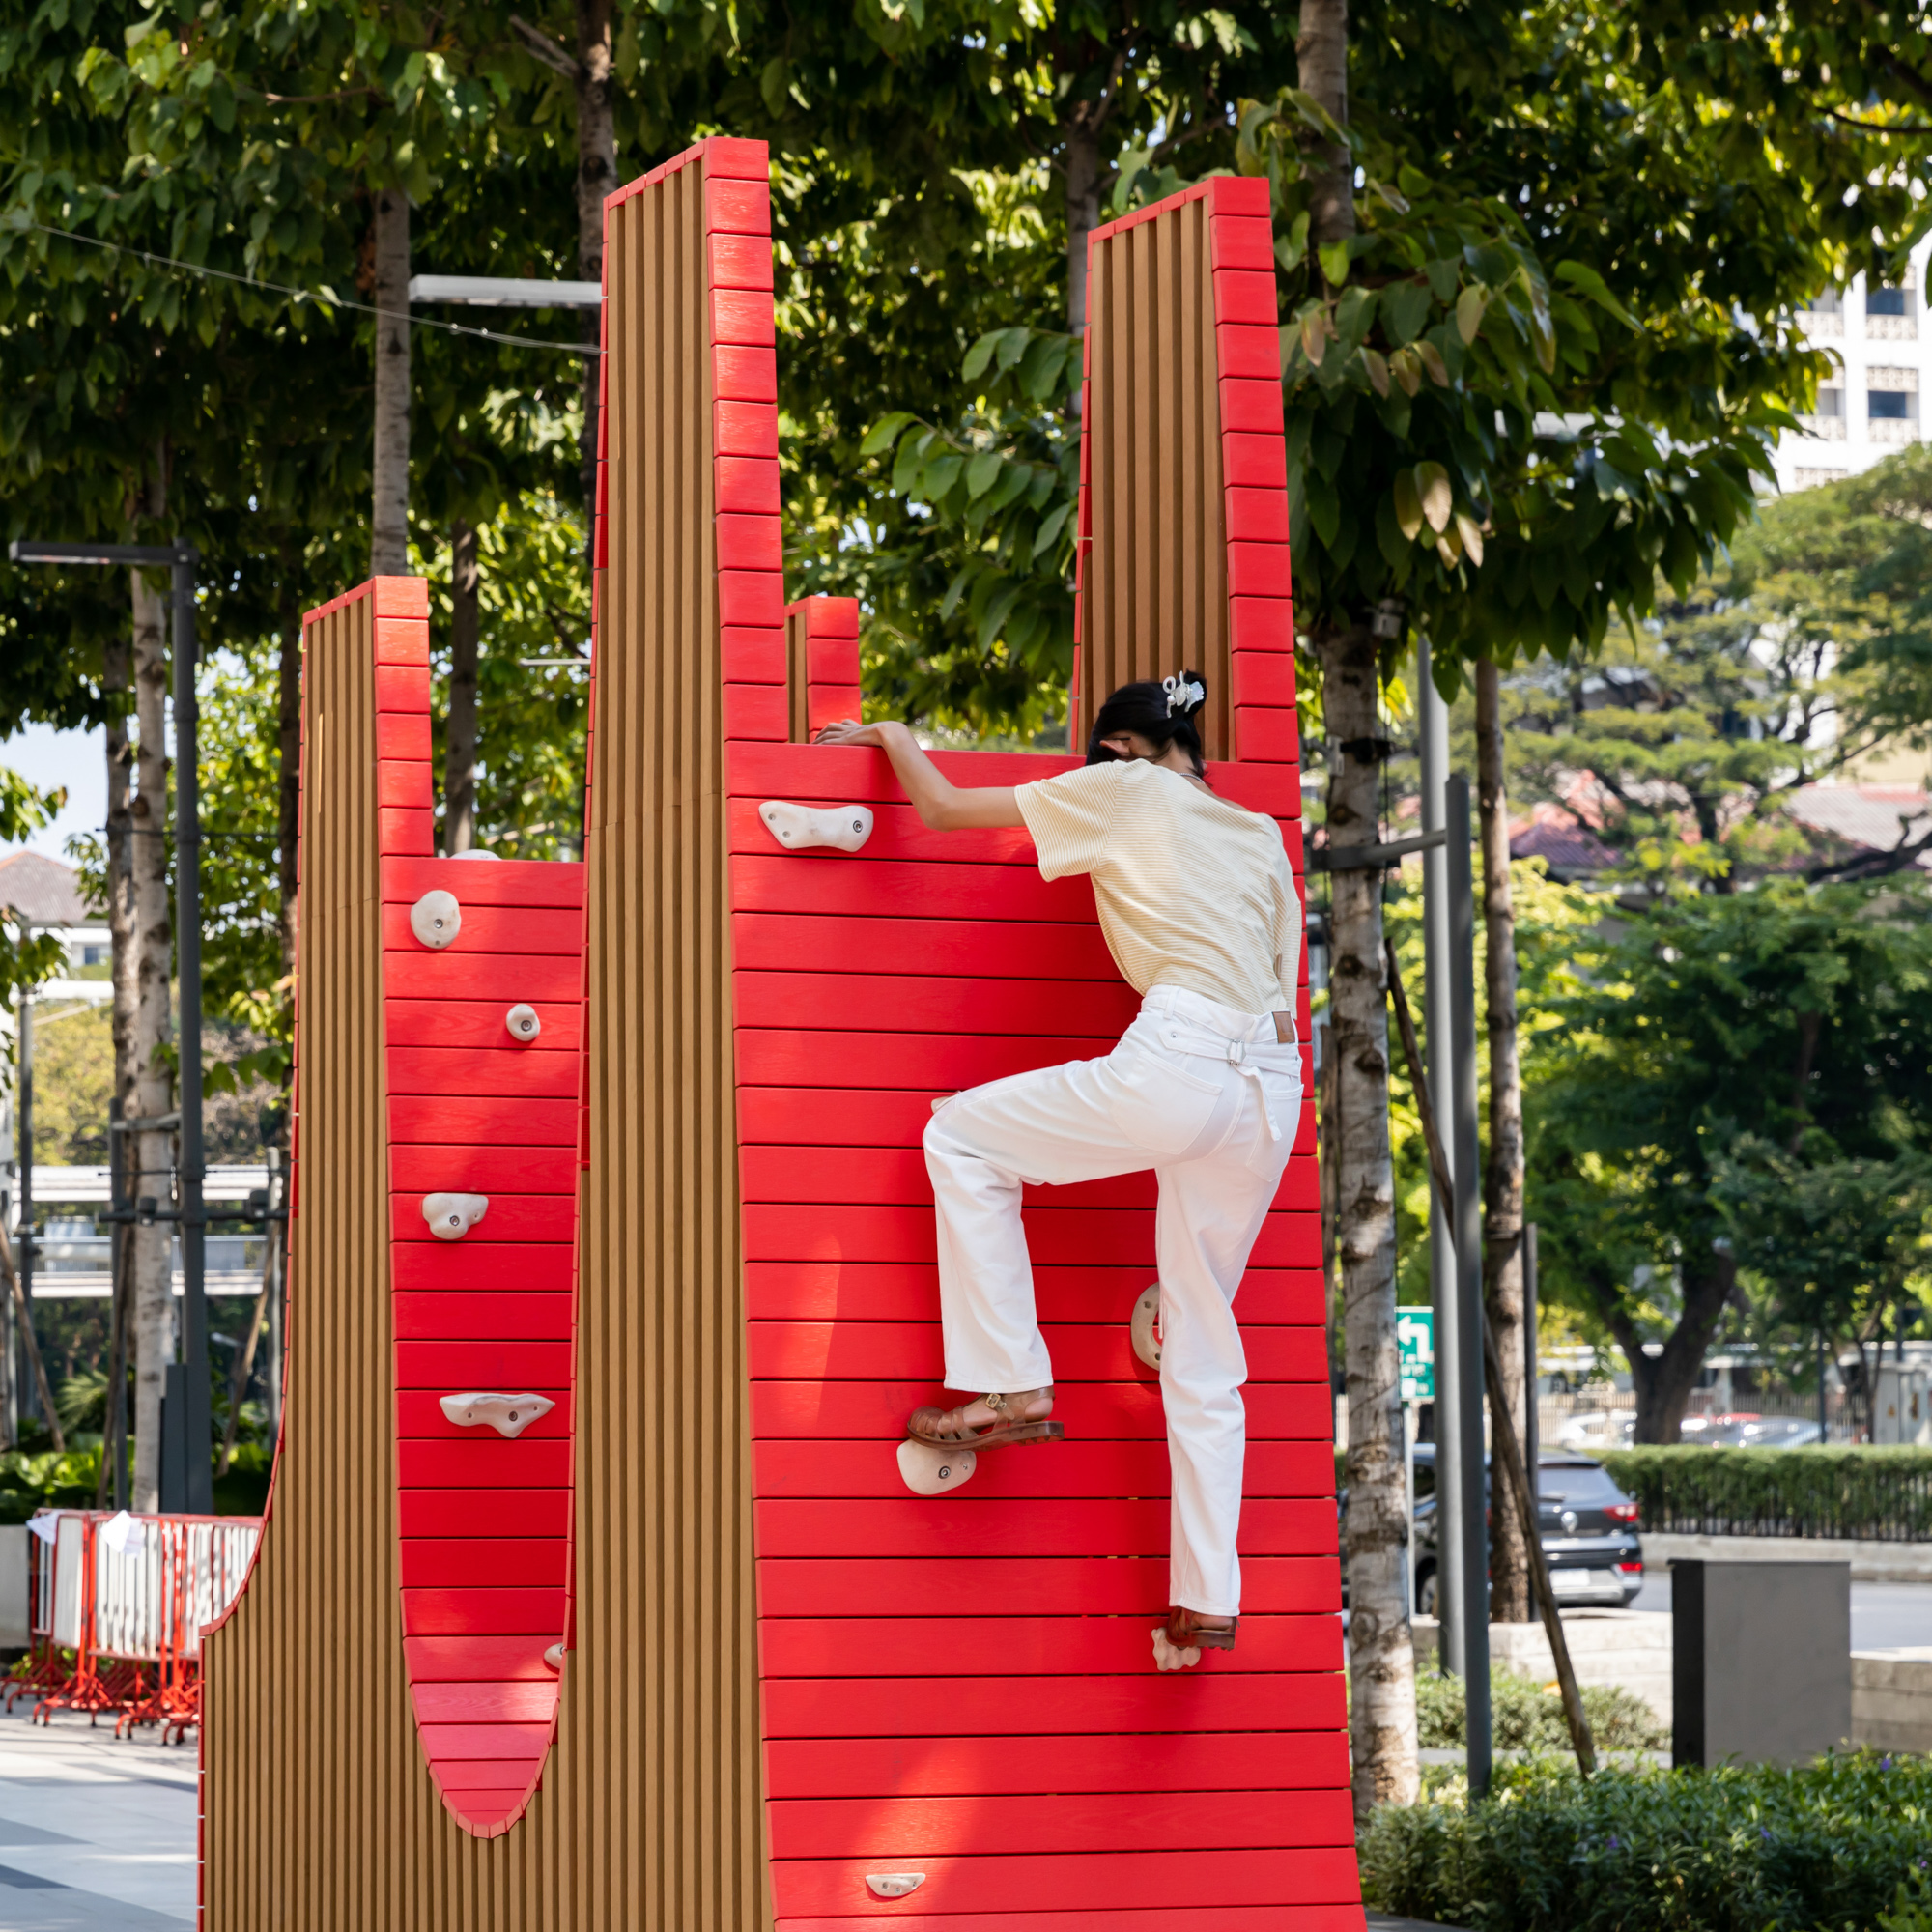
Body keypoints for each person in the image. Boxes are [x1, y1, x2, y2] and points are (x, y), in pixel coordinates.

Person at [816, 672, 1303, 1670]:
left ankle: (1009, 1382)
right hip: (1271, 1086)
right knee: (1204, 1355)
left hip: (1179, 1057)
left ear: (1121, 749)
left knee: (959, 1138)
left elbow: (945, 806)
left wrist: (894, 731)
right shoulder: (1256, 832)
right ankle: (1202, 1602)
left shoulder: (1125, 788)